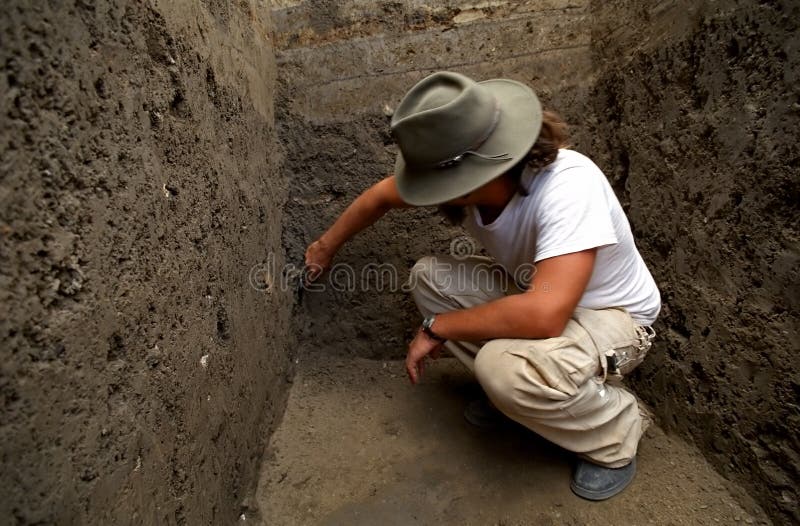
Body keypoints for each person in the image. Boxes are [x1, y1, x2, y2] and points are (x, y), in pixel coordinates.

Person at [304, 71, 661, 501]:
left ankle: (619, 426)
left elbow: (544, 315)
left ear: (475, 170)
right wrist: (325, 247)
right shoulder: (477, 184)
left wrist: (439, 327)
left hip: (615, 320)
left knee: (501, 369)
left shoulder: (568, 185)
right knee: (429, 278)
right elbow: (380, 197)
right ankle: (529, 402)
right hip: (540, 295)